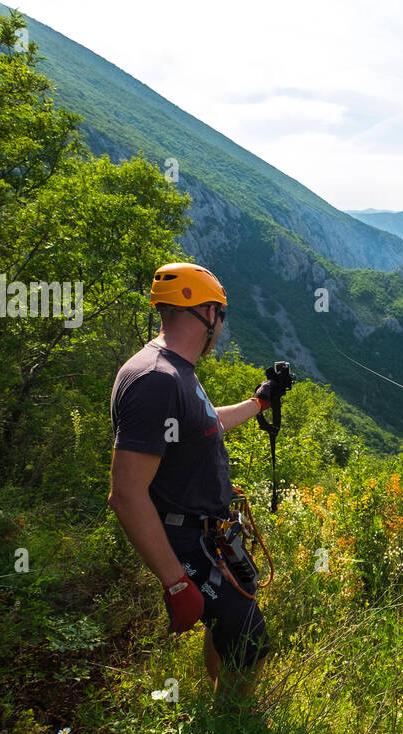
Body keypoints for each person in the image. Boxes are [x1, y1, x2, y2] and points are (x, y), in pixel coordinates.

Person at [107, 262, 286, 706]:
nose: (221, 327)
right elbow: (126, 493)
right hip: (191, 542)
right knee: (251, 645)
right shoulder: (157, 380)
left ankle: (217, 702)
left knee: (228, 629)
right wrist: (174, 581)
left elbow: (207, 424)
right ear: (207, 313)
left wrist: (259, 402)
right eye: (221, 316)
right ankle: (233, 726)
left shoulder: (171, 368)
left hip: (211, 535)